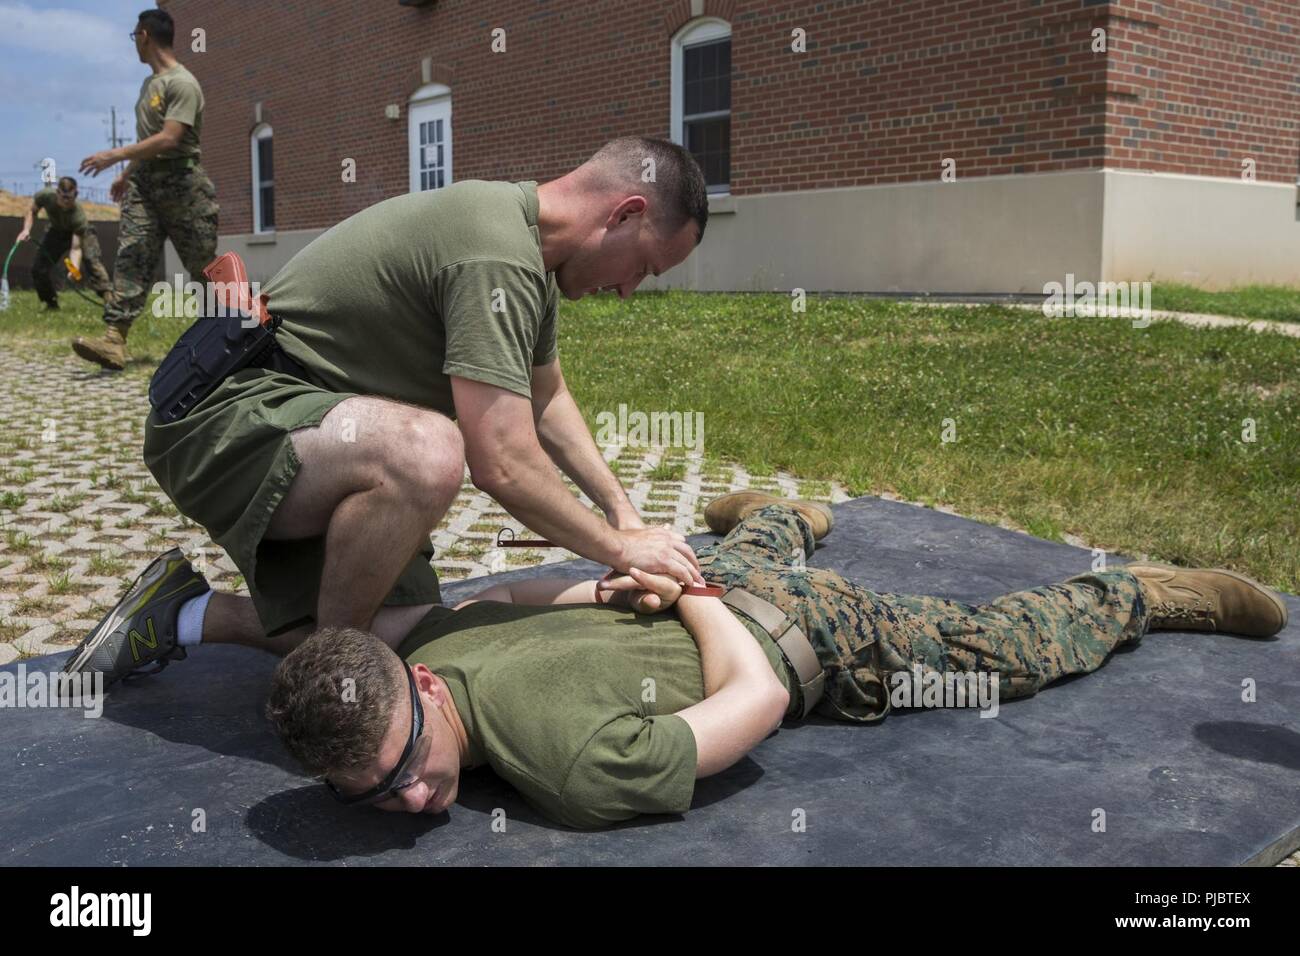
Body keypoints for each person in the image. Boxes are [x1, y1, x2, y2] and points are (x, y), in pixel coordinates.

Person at [62, 137, 711, 687]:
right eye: (645, 269)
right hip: (225, 417)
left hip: (309, 435)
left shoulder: (528, 263)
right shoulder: (493, 250)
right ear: (625, 213)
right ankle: (330, 690)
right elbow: (503, 463)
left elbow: (547, 399)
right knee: (427, 454)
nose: (628, 292)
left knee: (408, 634)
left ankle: (186, 614)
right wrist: (621, 552)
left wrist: (624, 514)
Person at [262, 492, 1287, 829]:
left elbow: (755, 693)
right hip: (712, 600)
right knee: (736, 557)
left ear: (423, 686)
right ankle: (773, 516)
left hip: (816, 640)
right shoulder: (425, 643)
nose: (410, 797)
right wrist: (626, 586)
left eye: (405, 764)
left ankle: (1143, 590)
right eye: (376, 794)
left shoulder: (563, 764)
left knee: (1007, 652)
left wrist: (679, 594)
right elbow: (507, 592)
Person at [73, 6, 219, 370]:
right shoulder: (148, 85)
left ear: (144, 36)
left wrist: (114, 155)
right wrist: (127, 174)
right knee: (132, 256)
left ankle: (229, 336)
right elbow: (150, 140)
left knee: (203, 268)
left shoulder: (182, 83)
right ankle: (114, 341)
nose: (133, 45)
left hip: (183, 187)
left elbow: (170, 139)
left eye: (133, 37)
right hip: (145, 186)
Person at [17, 176, 113, 309]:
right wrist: (26, 230)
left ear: (76, 194)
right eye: (63, 197)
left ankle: (109, 299)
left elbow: (76, 248)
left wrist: (74, 269)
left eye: (70, 198)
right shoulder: (45, 196)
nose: (66, 201)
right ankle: (50, 303)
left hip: (81, 234)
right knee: (39, 268)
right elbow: (32, 211)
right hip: (56, 231)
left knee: (92, 261)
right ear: (57, 193)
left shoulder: (78, 216)